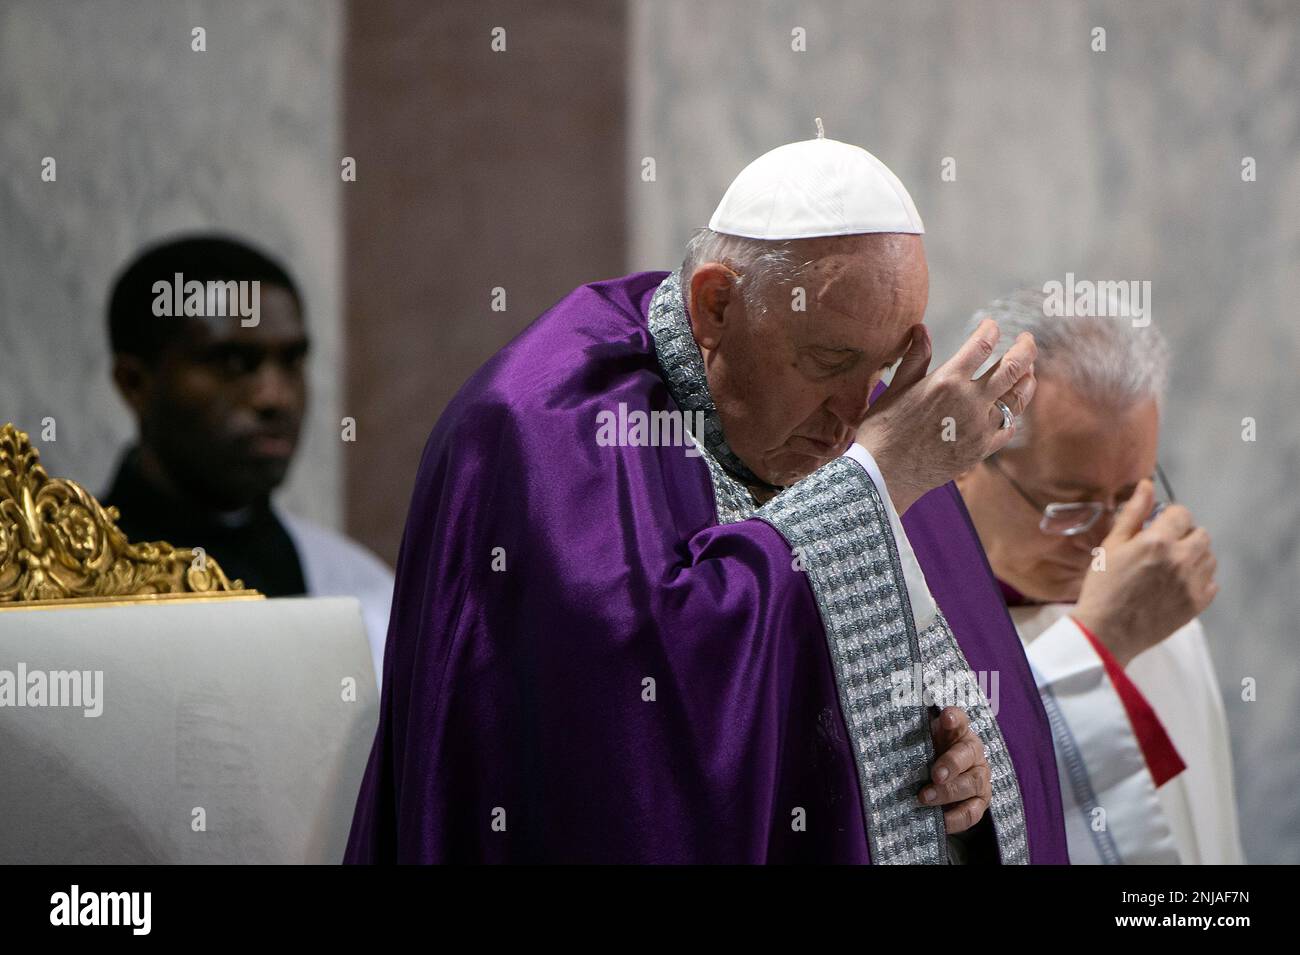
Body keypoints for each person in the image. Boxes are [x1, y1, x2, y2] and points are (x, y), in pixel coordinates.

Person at [346, 130, 1069, 863]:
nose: (856, 417)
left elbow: (887, 705)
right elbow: (639, 737)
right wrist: (879, 480)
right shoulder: (541, 426)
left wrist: (958, 779)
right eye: (829, 361)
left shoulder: (872, 439)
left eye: (881, 368)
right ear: (716, 305)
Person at [955, 289, 1244, 863]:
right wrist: (1097, 645)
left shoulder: (1154, 591)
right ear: (966, 460)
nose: (1109, 544)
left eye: (1129, 498)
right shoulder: (910, 614)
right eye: (1070, 506)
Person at [103, 234, 393, 685]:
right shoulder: (41, 582)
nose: (274, 397)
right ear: (135, 383)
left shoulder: (362, 593)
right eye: (235, 363)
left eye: (292, 362)